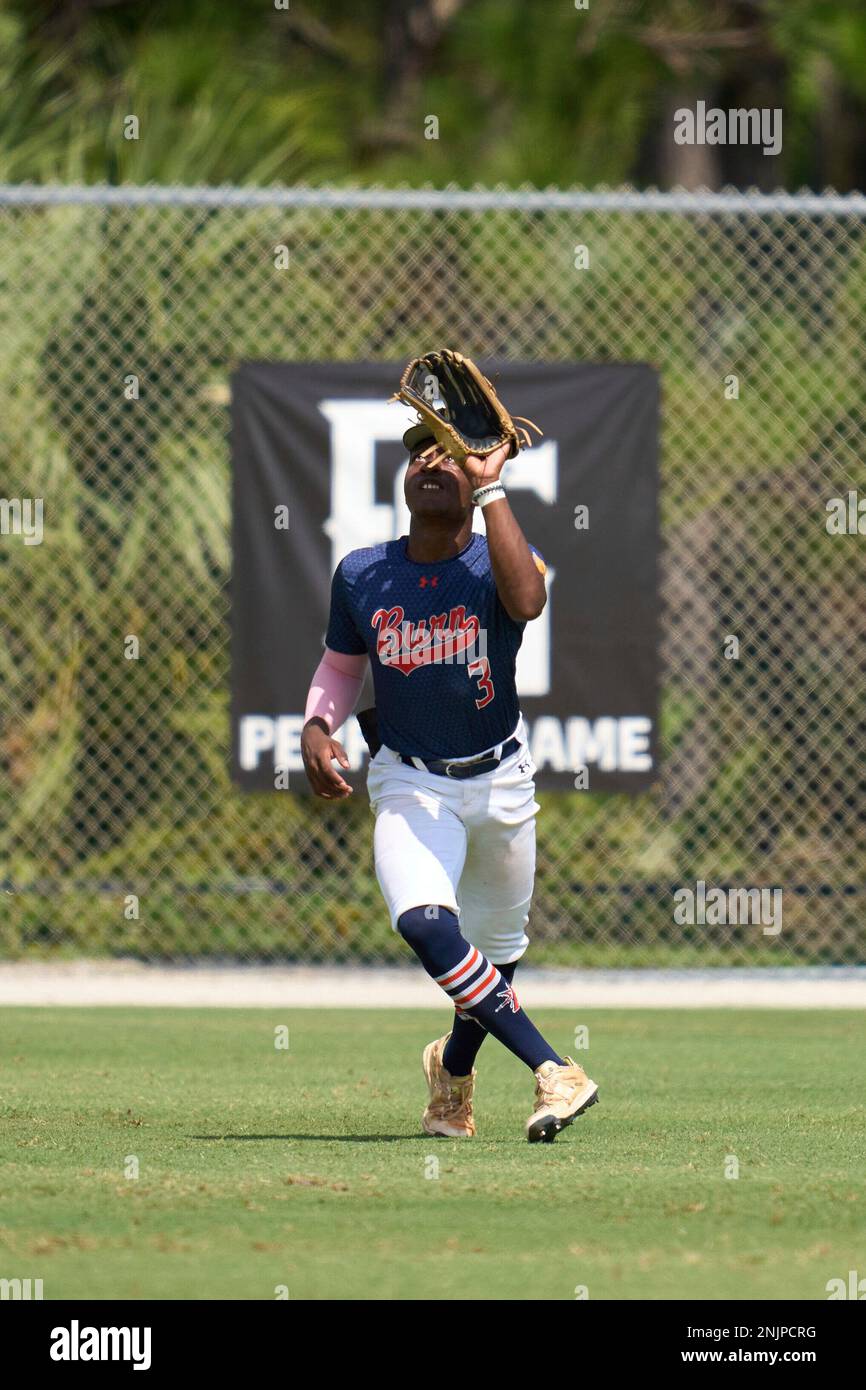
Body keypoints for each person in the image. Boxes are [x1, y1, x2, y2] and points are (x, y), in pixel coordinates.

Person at [301, 424, 599, 1142]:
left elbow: (527, 602)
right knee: (426, 924)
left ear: (474, 483)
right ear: (402, 479)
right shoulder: (363, 572)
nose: (429, 461)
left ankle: (452, 1076)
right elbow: (343, 666)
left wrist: (494, 482)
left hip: (500, 778)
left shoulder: (496, 564)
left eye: (445, 455)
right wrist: (317, 726)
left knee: (496, 954)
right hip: (410, 779)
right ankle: (557, 1069)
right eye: (416, 453)